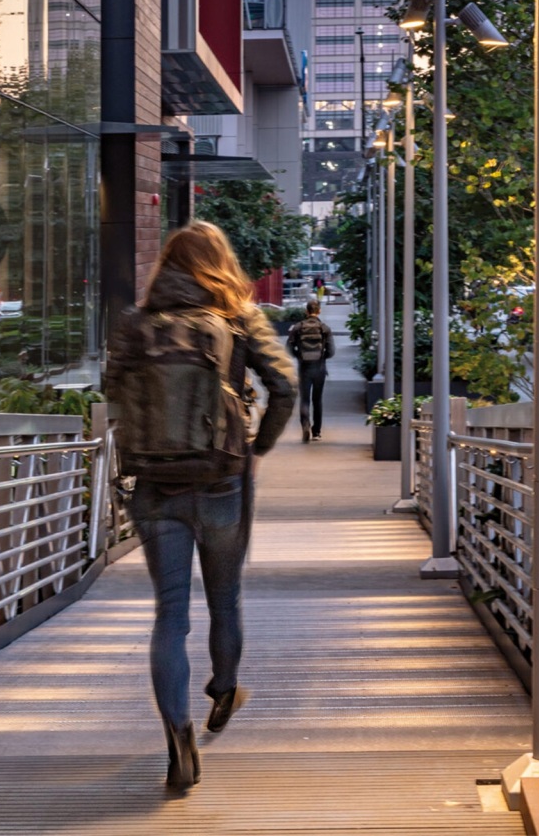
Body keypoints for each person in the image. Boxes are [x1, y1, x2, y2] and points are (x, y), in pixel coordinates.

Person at [105, 221, 296, 793]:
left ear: (167, 265)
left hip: (154, 485)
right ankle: (224, 688)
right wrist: (257, 448)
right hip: (222, 478)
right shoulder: (238, 317)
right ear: (219, 262)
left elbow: (112, 390)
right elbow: (283, 387)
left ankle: (179, 738)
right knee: (225, 597)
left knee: (170, 614)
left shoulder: (135, 325)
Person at [287, 296, 335, 441]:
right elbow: (331, 351)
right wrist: (322, 357)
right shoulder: (324, 328)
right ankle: (317, 432)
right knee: (317, 399)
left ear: (306, 311)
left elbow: (288, 348)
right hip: (319, 368)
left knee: (305, 400)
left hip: (304, 368)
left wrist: (299, 356)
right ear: (319, 311)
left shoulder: (298, 327)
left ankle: (305, 425)